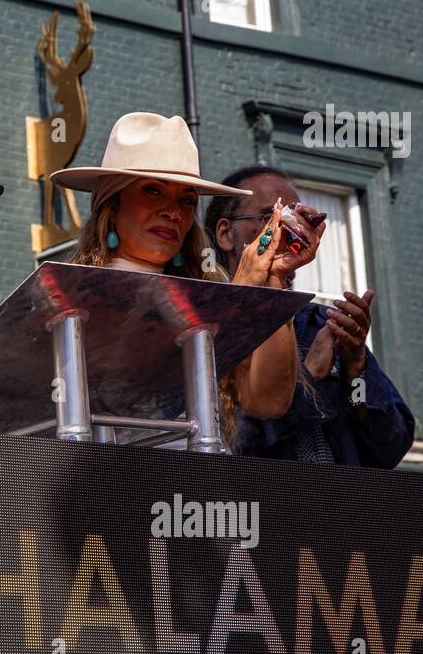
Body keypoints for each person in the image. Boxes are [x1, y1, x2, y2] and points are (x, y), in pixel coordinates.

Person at [51, 113, 324, 441]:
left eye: (186, 200)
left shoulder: (202, 300)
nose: (172, 210)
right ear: (112, 204)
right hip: (107, 484)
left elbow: (268, 401)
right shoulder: (72, 297)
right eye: (153, 191)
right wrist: (243, 292)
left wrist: (274, 283)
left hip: (193, 482)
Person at [204, 166, 414, 468]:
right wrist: (308, 375)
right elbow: (225, 444)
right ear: (225, 233)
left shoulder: (319, 323)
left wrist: (355, 366)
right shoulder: (209, 327)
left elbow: (391, 446)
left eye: (297, 217)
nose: (289, 230)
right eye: (271, 218)